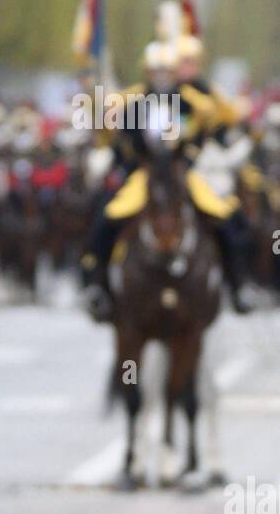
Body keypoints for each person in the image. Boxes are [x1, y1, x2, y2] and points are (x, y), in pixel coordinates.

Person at [80, 41, 256, 320]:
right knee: (108, 215)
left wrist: (184, 161)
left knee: (222, 214)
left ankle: (239, 284)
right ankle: (95, 285)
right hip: (144, 172)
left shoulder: (191, 103)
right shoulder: (134, 102)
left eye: (166, 71)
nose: (161, 76)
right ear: (148, 72)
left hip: (183, 172)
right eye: (156, 71)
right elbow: (126, 141)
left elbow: (200, 138)